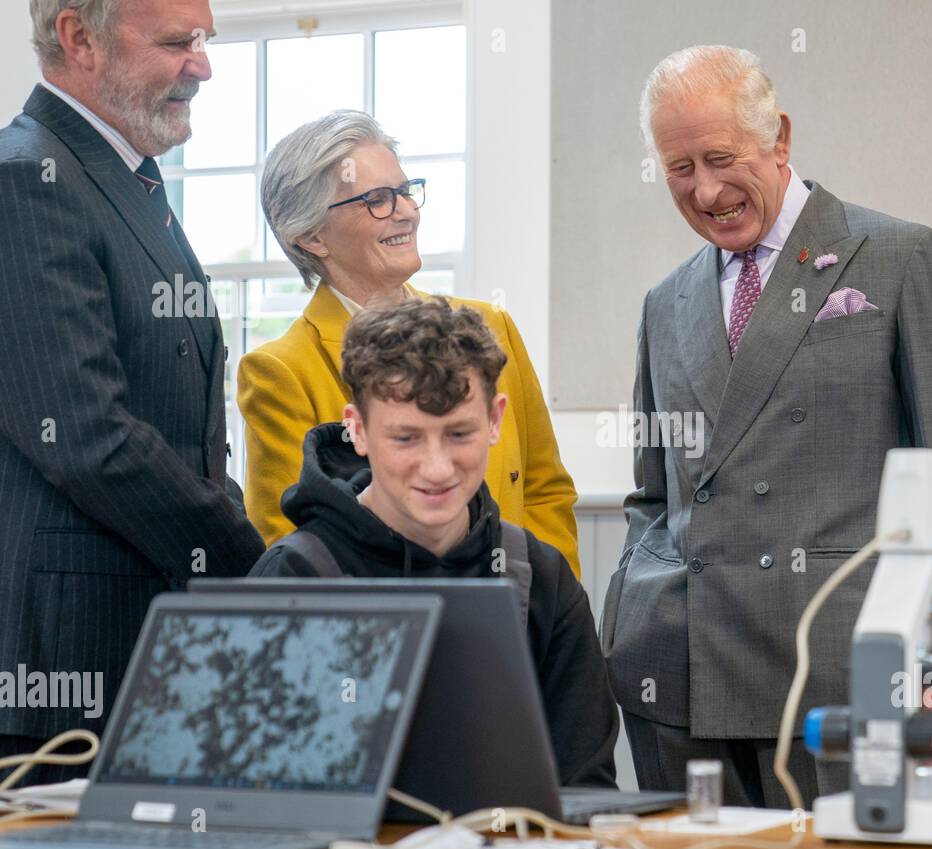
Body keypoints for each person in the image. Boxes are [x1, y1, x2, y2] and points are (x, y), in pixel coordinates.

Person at [604, 45, 932, 807]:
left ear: (779, 137)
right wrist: (630, 620)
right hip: (678, 677)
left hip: (839, 676)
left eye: (721, 157)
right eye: (679, 168)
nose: (707, 189)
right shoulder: (665, 301)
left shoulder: (899, 257)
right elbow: (652, 496)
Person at [0, 0, 265, 781]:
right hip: (65, 667)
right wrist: (252, 562)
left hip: (147, 646)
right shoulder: (27, 181)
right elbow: (87, 436)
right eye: (178, 43)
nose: (203, 67)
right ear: (80, 38)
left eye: (205, 41)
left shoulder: (123, 179)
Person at [248, 297, 618, 788]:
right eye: (406, 438)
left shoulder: (543, 580)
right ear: (356, 428)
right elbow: (256, 795)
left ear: (494, 420)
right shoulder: (290, 579)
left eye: (459, 433)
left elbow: (585, 788)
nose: (438, 468)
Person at [239, 111, 581, 577]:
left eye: (405, 191)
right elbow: (290, 542)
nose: (406, 210)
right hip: (382, 632)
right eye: (377, 199)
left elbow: (545, 490)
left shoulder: (491, 326)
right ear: (311, 236)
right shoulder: (279, 370)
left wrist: (539, 612)